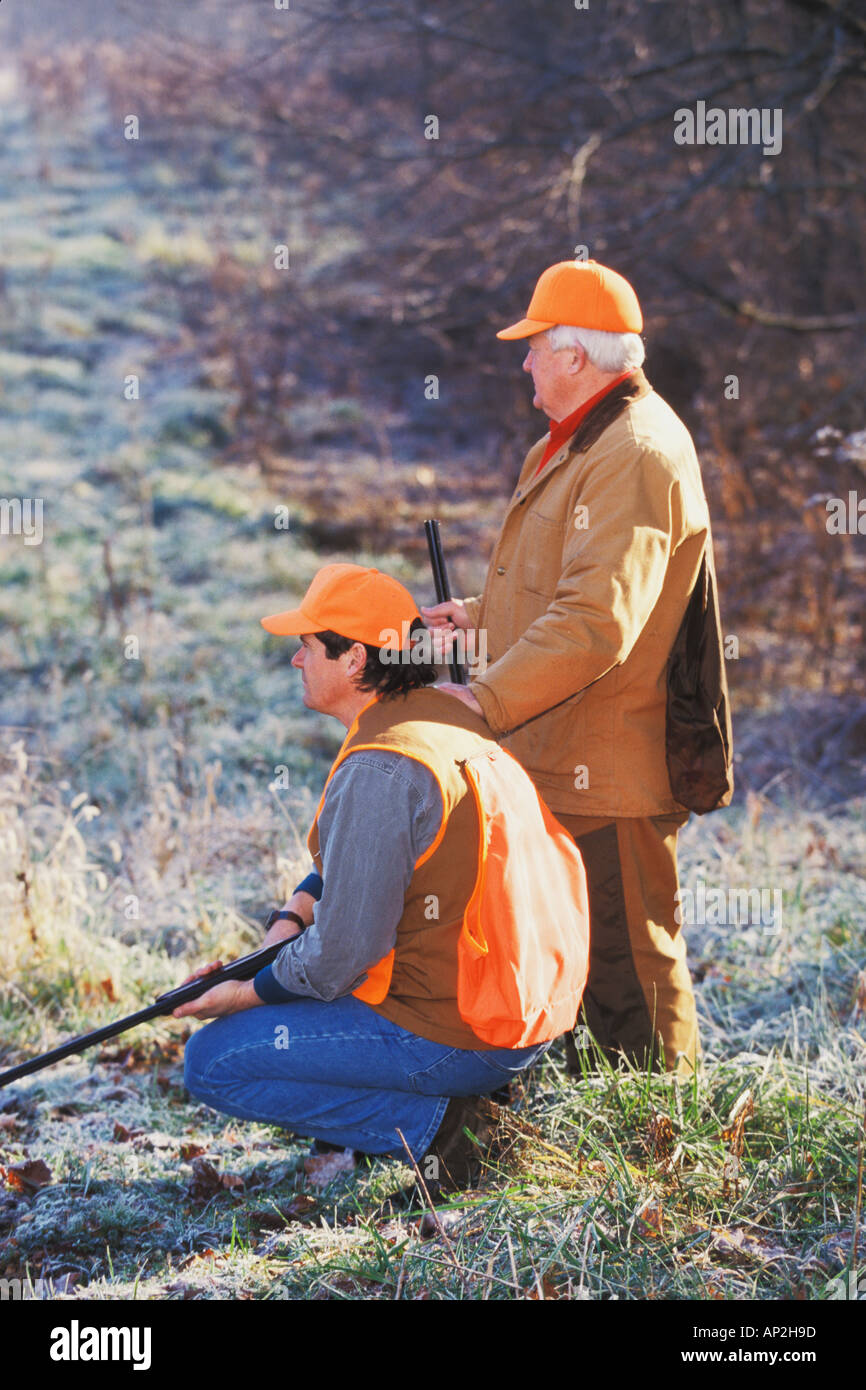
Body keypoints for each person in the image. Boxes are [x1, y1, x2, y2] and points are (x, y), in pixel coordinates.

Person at [177, 563, 588, 1194]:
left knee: (212, 1062)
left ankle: (447, 1130)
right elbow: (362, 860)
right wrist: (289, 920)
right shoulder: (438, 716)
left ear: (354, 660)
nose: (296, 659)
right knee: (291, 997)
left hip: (464, 1032)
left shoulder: (382, 767)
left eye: (308, 645)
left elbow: (340, 956)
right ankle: (427, 1106)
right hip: (521, 1013)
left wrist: (245, 992)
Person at [424, 258, 732, 1077]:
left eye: (534, 347)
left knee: (630, 972)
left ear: (574, 356)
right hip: (561, 760)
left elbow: (597, 623)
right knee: (579, 965)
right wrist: (478, 619)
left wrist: (484, 699)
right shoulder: (572, 441)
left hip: (610, 773)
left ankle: (665, 1141)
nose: (524, 362)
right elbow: (566, 587)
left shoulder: (635, 450)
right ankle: (598, 1133)